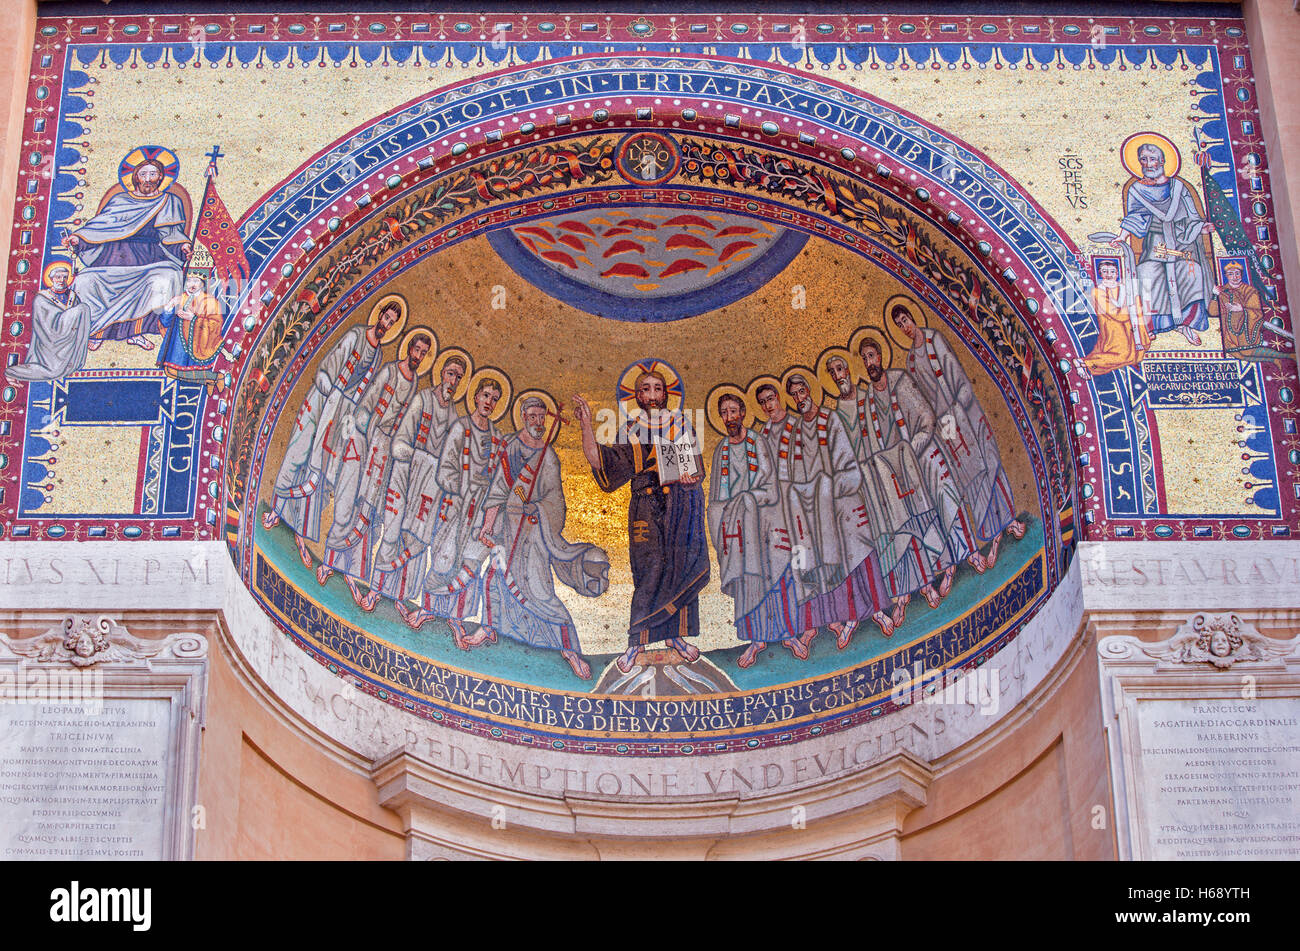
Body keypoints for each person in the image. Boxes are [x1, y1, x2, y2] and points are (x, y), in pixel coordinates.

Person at [572, 368, 711, 673]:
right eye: (645, 389)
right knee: (649, 571)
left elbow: (697, 469)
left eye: (657, 389)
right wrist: (586, 425)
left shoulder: (680, 424)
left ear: (666, 394)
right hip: (646, 507)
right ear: (636, 396)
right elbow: (603, 464)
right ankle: (637, 643)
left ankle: (676, 637)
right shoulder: (630, 430)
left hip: (679, 507)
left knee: (681, 566)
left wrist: (690, 480)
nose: (651, 395)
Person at [478, 396, 610, 679]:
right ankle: (489, 629)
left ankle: (571, 652)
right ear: (523, 416)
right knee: (492, 579)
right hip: (508, 528)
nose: (538, 422)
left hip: (536, 533)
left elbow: (556, 500)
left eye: (542, 417)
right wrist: (488, 526)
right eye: (533, 416)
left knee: (541, 593)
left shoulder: (548, 456)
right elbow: (498, 489)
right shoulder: (512, 448)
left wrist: (536, 508)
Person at [262, 301, 401, 568]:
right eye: (386, 318)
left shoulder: (378, 355)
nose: (386, 325)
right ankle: (277, 510)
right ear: (379, 314)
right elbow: (328, 368)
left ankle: (301, 536)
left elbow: (363, 392)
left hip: (341, 412)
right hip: (322, 401)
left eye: (392, 323)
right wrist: (329, 399)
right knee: (298, 454)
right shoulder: (356, 335)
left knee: (323, 471)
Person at [892, 304, 1026, 569]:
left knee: (986, 466)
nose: (905, 328)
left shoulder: (934, 340)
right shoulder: (909, 361)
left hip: (963, 413)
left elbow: (957, 375)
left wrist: (957, 407)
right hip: (946, 426)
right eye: (900, 326)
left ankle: (1010, 521)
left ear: (913, 317)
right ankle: (992, 534)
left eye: (906, 320)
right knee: (969, 477)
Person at [832, 345, 950, 627]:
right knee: (886, 539)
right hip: (868, 484)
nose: (838, 376)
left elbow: (890, 426)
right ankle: (900, 596)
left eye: (841, 369)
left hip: (891, 469)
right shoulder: (835, 414)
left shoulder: (867, 396)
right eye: (832, 373)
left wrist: (899, 455)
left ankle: (926, 584)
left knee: (910, 524)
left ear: (849, 369)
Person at [774, 373, 895, 648]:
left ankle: (874, 612)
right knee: (806, 557)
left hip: (841, 504)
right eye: (793, 395)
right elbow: (786, 479)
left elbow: (850, 471)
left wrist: (823, 488)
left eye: (802, 391)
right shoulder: (790, 435)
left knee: (854, 547)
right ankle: (830, 619)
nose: (799, 398)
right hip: (810, 513)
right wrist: (799, 495)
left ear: (812, 390)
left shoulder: (831, 421)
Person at [317, 329, 432, 609]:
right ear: (408, 348)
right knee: (350, 503)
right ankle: (330, 561)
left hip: (388, 452)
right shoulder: (390, 372)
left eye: (423, 354)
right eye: (416, 350)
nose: (418, 356)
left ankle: (354, 574)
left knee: (371, 516)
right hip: (368, 444)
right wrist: (368, 438)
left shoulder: (415, 383)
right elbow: (366, 405)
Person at [399, 376, 509, 649]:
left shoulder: (497, 437)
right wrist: (463, 487)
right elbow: (445, 469)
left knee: (470, 562)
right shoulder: (460, 427)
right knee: (444, 557)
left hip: (481, 508)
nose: (489, 403)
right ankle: (427, 608)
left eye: (494, 399)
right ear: (475, 397)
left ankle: (457, 617)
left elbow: (499, 479)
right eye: (485, 396)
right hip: (457, 504)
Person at [707, 392, 807, 668]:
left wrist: (747, 501)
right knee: (749, 583)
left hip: (765, 524)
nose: (729, 418)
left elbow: (771, 485)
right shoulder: (721, 451)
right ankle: (756, 639)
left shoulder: (757, 441)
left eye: (733, 411)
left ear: (742, 414)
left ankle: (788, 634)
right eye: (724, 413)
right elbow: (715, 497)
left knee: (776, 578)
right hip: (738, 530)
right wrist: (723, 513)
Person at [64, 156, 191, 350]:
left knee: (167, 278)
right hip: (114, 257)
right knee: (85, 281)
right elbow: (100, 226)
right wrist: (78, 238)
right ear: (135, 177)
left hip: (151, 257)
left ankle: (136, 332)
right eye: (143, 174)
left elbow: (171, 233)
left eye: (153, 174)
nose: (148, 178)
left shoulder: (168, 200)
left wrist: (182, 247)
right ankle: (96, 331)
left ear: (160, 177)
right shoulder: (120, 200)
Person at [368, 354, 466, 602]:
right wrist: (424, 460)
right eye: (451, 374)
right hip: (405, 479)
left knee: (416, 545)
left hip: (428, 492)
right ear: (442, 373)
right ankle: (375, 590)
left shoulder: (455, 418)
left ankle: (402, 600)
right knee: (392, 534)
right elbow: (398, 445)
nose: (453, 381)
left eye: (459, 377)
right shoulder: (422, 401)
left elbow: (453, 464)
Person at [1110, 142, 1214, 345]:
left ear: (1163, 161)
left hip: (1182, 242)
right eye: (1143, 159)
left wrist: (1200, 228)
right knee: (1146, 274)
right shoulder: (1137, 189)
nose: (1148, 164)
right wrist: (1122, 236)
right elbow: (1135, 216)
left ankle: (1186, 323)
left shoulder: (1178, 187)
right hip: (1156, 244)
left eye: (1152, 158)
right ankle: (1151, 325)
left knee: (1192, 272)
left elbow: (1193, 215)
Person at [4, 262, 92, 382]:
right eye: (58, 277)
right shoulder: (42, 299)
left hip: (69, 346)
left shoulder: (72, 296)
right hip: (48, 347)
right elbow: (49, 328)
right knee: (53, 370)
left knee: (83, 308)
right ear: (51, 279)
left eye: (65, 277)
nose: (62, 280)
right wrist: (77, 312)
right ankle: (13, 373)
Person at [156, 268, 227, 393]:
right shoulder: (179, 298)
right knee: (170, 371)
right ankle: (212, 379)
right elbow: (165, 323)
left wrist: (194, 319)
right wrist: (168, 309)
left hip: (199, 344)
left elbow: (215, 325)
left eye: (196, 281)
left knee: (189, 370)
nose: (192, 284)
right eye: (189, 281)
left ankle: (213, 378)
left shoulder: (210, 301)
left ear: (203, 283)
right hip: (178, 343)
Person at [1079, 259, 1149, 376]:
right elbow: (1115, 314)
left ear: (1117, 273)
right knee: (1122, 355)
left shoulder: (1126, 289)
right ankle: (1084, 362)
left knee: (1136, 355)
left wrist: (1143, 335)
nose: (1109, 275)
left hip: (1129, 332)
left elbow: (1138, 308)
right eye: (1105, 272)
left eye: (1112, 272)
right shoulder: (1097, 291)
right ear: (1100, 274)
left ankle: (1086, 365)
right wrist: (1132, 306)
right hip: (1113, 333)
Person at [1215, 262, 1293, 364]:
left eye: (1237, 273)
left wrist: (1242, 310)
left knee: (1247, 352)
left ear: (1241, 275)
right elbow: (1213, 311)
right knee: (1237, 355)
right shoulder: (1223, 290)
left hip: (1246, 328)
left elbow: (1257, 312)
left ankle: (1287, 355)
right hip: (1229, 331)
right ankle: (1274, 360)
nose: (1234, 277)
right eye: (1230, 274)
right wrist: (1214, 295)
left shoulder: (1250, 291)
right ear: (1226, 276)